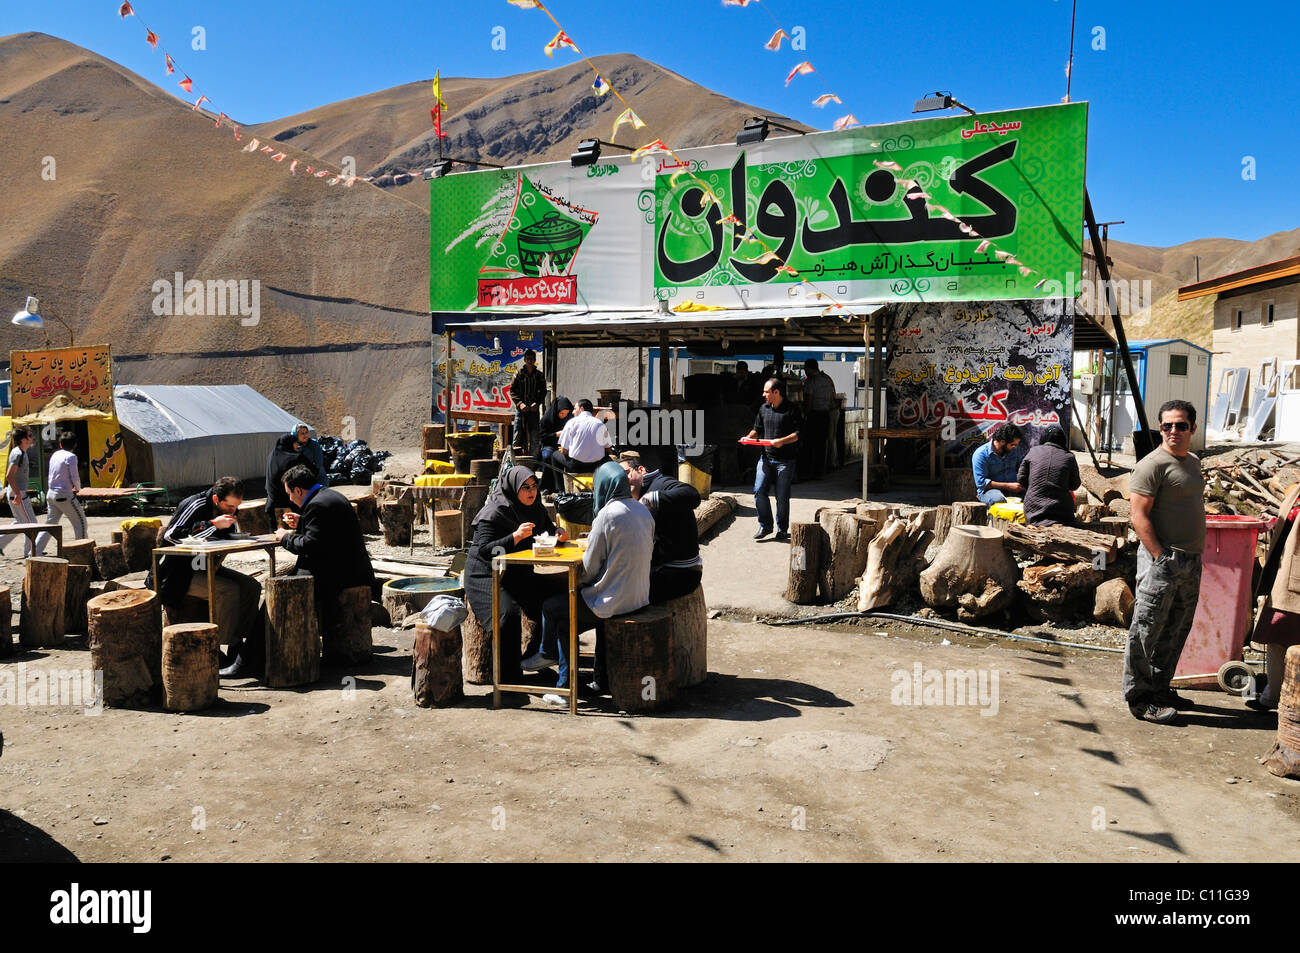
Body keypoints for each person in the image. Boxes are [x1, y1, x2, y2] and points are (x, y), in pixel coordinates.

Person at [536, 462, 653, 704]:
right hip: (640, 597)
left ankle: (564, 684)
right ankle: (599, 678)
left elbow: (590, 567)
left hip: (614, 602)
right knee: (566, 611)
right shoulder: (642, 510)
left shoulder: (607, 515)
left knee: (556, 610)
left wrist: (577, 585)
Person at [1123, 400, 1205, 725]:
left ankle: (1159, 688)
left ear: (1192, 429)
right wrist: (1160, 557)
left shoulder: (1194, 462)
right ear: (1160, 428)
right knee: (1146, 629)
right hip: (1164, 562)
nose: (1173, 431)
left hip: (1191, 561)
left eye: (1181, 425)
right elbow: (1138, 516)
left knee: (1176, 628)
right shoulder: (1151, 465)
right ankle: (1140, 699)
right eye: (1167, 425)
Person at [467, 467, 567, 696]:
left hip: (516, 571)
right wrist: (515, 537)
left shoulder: (535, 507)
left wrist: (558, 535)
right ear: (513, 488)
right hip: (486, 572)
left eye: (534, 487)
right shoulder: (494, 512)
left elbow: (547, 531)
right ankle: (508, 679)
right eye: (526, 487)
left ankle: (537, 657)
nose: (532, 492)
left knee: (552, 601)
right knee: (507, 615)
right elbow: (485, 550)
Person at [154, 477, 264, 677]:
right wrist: (214, 524)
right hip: (175, 575)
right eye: (229, 506)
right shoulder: (195, 504)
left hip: (203, 568)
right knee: (228, 591)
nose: (233, 510)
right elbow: (170, 536)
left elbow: (221, 537)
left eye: (236, 507)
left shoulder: (227, 510)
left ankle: (237, 644)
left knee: (251, 586)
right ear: (215, 498)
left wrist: (230, 529)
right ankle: (215, 650)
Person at [273, 463, 376, 664]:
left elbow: (311, 545)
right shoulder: (329, 496)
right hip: (349, 568)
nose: (290, 499)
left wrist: (285, 537)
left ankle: (269, 657)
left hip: (339, 575)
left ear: (298, 490)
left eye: (290, 494)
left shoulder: (316, 505)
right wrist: (302, 521)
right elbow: (327, 533)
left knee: (280, 595)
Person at [1244, 482, 1300, 712]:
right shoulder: (1297, 490)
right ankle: (1273, 695)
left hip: (1294, 578)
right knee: (1276, 636)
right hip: (1285, 575)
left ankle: (1277, 696)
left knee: (1283, 635)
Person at [619, 456, 702, 602]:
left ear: (641, 470)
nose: (623, 480)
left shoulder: (661, 483)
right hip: (663, 569)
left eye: (626, 473)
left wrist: (649, 499)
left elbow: (693, 495)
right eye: (619, 477)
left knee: (618, 595)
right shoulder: (633, 493)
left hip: (680, 574)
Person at [743, 378, 801, 542]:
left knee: (782, 496)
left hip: (785, 461)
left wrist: (782, 441)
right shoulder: (764, 408)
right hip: (766, 458)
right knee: (759, 490)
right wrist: (748, 438)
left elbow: (798, 433)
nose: (763, 395)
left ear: (777, 392)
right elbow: (757, 429)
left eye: (766, 391)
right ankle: (765, 526)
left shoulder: (792, 409)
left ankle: (782, 529)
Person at [1016, 425, 1080, 527]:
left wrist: (1035, 487)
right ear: (1063, 440)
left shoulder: (1033, 452)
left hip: (1033, 509)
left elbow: (1021, 478)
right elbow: (1075, 485)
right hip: (1062, 511)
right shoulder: (1069, 457)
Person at [37, 431, 89, 552]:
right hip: (64, 495)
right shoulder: (71, 457)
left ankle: (34, 550)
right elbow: (74, 476)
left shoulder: (55, 455)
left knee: (50, 525)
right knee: (80, 523)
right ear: (75, 445)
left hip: (51, 494)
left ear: (60, 444)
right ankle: (82, 551)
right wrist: (78, 488)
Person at [1, 427, 38, 558]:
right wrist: (17, 493)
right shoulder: (18, 454)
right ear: (23, 440)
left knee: (21, 522)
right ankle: (31, 552)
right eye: (30, 435)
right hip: (18, 493)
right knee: (31, 524)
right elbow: (9, 475)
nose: (32, 437)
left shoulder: (20, 451)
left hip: (17, 492)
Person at [552, 399, 612, 475]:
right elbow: (608, 448)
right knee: (607, 458)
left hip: (577, 466)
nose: (573, 412)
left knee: (555, 455)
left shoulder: (572, 422)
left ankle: (559, 486)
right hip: (596, 465)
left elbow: (564, 451)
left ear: (581, 409)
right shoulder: (600, 423)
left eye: (575, 409)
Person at [971, 423, 1026, 505]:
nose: (1015, 447)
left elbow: (1022, 466)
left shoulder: (1014, 450)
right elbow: (981, 483)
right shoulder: (981, 454)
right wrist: (1008, 486)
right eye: (1012, 445)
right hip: (990, 491)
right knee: (998, 500)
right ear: (1002, 442)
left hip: (1014, 488)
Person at [800, 358, 836, 481]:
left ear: (809, 368)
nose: (805, 371)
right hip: (825, 414)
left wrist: (805, 414)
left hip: (814, 415)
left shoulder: (811, 381)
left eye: (805, 369)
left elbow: (809, 400)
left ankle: (808, 471)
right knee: (821, 444)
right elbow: (832, 398)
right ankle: (819, 472)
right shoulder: (827, 379)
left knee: (809, 445)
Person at [265, 430, 312, 519]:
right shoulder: (294, 458)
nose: (297, 445)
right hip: (289, 504)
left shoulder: (272, 455)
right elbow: (311, 470)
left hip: (272, 502)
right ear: (290, 444)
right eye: (295, 443)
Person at [509, 349, 547, 456]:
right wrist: (520, 403)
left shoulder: (539, 375)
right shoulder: (519, 374)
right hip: (521, 411)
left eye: (532, 359)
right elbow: (512, 390)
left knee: (534, 437)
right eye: (528, 359)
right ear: (525, 360)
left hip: (533, 411)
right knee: (517, 436)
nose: (530, 361)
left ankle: (533, 462)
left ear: (534, 360)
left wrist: (537, 403)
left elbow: (543, 391)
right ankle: (516, 461)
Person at [537, 396, 574, 494]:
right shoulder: (547, 419)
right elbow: (542, 437)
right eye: (562, 413)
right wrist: (556, 434)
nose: (564, 416)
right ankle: (546, 486)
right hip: (549, 445)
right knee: (548, 456)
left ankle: (561, 487)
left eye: (566, 414)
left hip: (564, 446)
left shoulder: (570, 419)